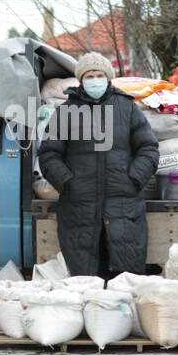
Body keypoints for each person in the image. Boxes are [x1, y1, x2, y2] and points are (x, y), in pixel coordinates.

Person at [38, 52, 159, 279]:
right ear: (81, 80)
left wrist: (133, 179)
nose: (95, 80)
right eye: (89, 76)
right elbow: (49, 154)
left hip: (123, 206)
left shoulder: (128, 108)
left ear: (108, 77)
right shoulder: (66, 112)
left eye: (99, 75)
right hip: (79, 207)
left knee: (123, 279)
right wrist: (67, 183)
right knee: (85, 278)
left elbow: (148, 149)